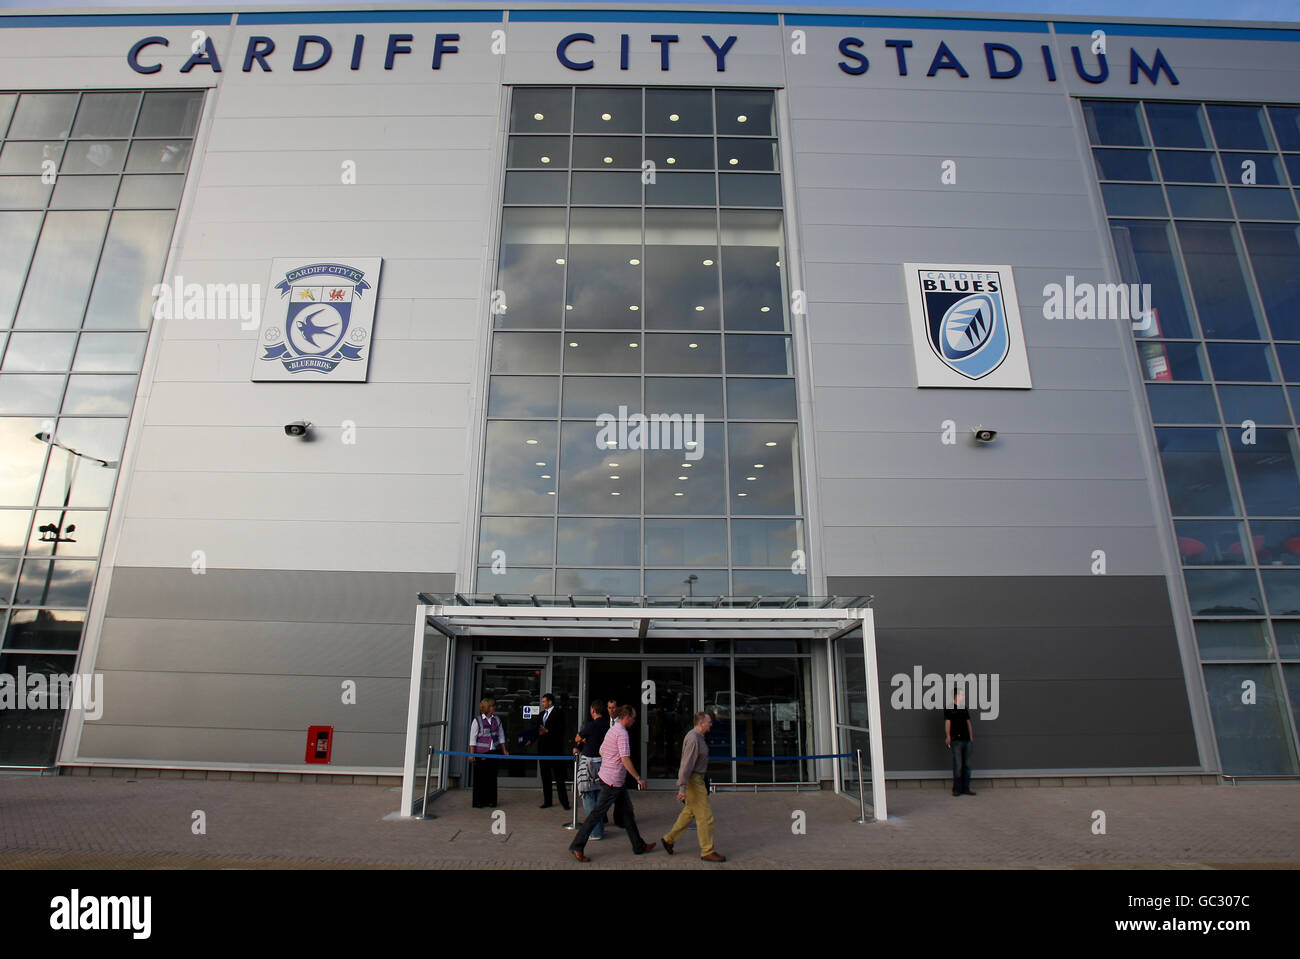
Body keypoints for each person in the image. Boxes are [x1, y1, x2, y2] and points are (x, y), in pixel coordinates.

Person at [568, 705, 655, 861]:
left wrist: (610, 761)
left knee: (627, 813)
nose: (634, 721)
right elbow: (625, 758)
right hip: (613, 782)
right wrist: (638, 778)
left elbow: (602, 750)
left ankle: (638, 845)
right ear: (627, 717)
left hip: (611, 778)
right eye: (634, 718)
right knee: (597, 814)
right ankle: (577, 846)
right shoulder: (622, 734)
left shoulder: (612, 730)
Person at [662, 711, 725, 862]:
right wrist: (682, 787)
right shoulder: (693, 739)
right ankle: (707, 850)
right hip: (694, 781)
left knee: (689, 812)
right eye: (709, 722)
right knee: (705, 816)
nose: (711, 724)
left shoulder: (698, 737)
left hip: (697, 779)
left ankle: (669, 839)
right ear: (701, 723)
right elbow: (686, 765)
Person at [573, 700, 608, 839]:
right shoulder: (607, 725)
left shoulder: (591, 726)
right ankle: (599, 828)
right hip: (602, 763)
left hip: (588, 763)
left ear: (593, 710)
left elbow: (578, 737)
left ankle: (595, 832)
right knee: (598, 797)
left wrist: (583, 740)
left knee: (588, 797)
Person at [469, 697, 509, 808]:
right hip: (481, 752)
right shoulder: (477, 721)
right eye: (492, 706)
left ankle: (491, 801)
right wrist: (472, 754)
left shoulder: (497, 720)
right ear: (486, 707)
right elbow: (473, 738)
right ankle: (479, 801)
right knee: (480, 778)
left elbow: (501, 735)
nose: (494, 707)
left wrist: (504, 750)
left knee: (492, 777)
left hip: (494, 751)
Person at [535, 692, 570, 810]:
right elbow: (536, 730)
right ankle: (547, 801)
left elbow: (561, 730)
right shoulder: (541, 715)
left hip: (555, 750)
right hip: (543, 750)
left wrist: (548, 731)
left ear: (550, 702)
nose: (542, 703)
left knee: (559, 777)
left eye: (544, 701)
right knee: (545, 777)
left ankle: (564, 802)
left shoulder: (559, 713)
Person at [945, 685, 975, 797]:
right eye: (962, 694)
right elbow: (948, 722)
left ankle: (966, 788)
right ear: (956, 696)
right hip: (956, 740)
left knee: (967, 765)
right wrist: (948, 736)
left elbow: (968, 722)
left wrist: (971, 737)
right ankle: (957, 789)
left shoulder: (964, 708)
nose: (964, 696)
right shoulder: (949, 708)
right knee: (958, 765)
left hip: (966, 740)